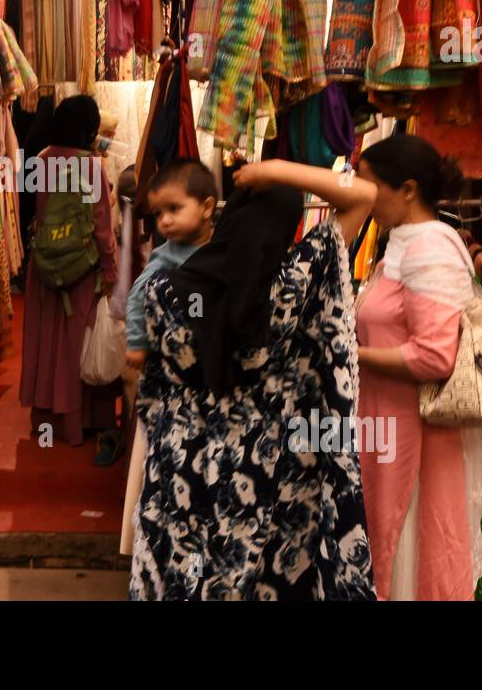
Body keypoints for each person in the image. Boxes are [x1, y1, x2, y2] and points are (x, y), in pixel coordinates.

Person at [130, 158, 377, 600]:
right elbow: (364, 195)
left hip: (182, 467)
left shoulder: (161, 290)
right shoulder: (292, 285)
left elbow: (150, 389)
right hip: (263, 475)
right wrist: (277, 170)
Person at [353, 134, 482, 600]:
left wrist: (352, 358)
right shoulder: (400, 244)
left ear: (406, 189)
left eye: (369, 185)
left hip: (415, 435)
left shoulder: (429, 247)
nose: (360, 194)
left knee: (409, 555)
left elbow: (435, 356)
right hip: (390, 427)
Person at [20, 95, 119, 448]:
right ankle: (83, 423)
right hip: (81, 269)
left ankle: (46, 420)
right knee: (78, 345)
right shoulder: (92, 166)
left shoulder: (42, 159)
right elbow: (102, 226)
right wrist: (110, 270)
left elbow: (41, 213)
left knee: (45, 341)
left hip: (45, 265)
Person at [123, 157, 216, 372]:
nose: (164, 220)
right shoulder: (165, 257)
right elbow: (137, 295)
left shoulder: (221, 245)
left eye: (174, 208)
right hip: (176, 359)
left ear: (207, 207)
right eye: (158, 213)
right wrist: (136, 343)